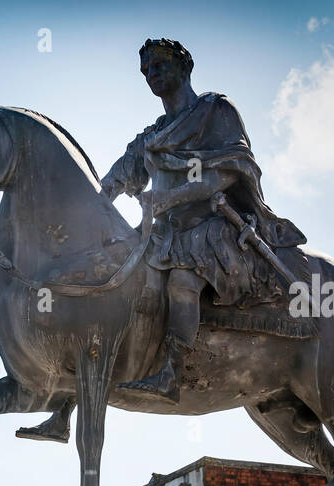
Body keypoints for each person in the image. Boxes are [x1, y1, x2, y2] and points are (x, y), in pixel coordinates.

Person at [102, 38, 306, 403]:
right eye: (146, 70)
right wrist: (92, 205)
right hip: (161, 233)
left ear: (185, 67)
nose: (152, 74)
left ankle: (170, 374)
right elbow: (120, 175)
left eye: (160, 65)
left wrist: (168, 198)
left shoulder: (216, 112)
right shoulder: (153, 136)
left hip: (212, 228)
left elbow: (226, 173)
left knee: (183, 280)